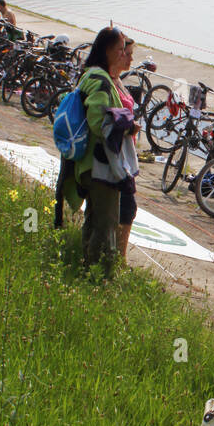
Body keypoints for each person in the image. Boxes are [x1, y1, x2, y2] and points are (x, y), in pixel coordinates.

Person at [56, 26, 140, 269]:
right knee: (106, 223)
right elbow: (98, 122)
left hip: (90, 164)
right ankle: (98, 274)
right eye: (120, 49)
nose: (124, 53)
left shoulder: (91, 75)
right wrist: (127, 127)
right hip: (100, 164)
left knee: (93, 220)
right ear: (108, 51)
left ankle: (86, 267)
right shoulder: (100, 80)